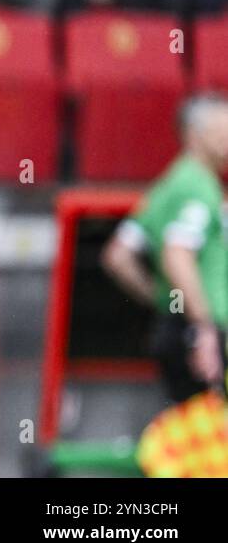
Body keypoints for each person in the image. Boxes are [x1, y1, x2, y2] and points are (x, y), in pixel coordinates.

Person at [101, 94, 228, 405]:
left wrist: (162, 298)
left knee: (196, 439)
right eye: (224, 130)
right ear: (194, 135)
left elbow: (118, 256)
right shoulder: (198, 187)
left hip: (174, 328)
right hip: (202, 334)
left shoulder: (166, 187)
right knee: (212, 441)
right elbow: (177, 253)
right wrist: (203, 327)